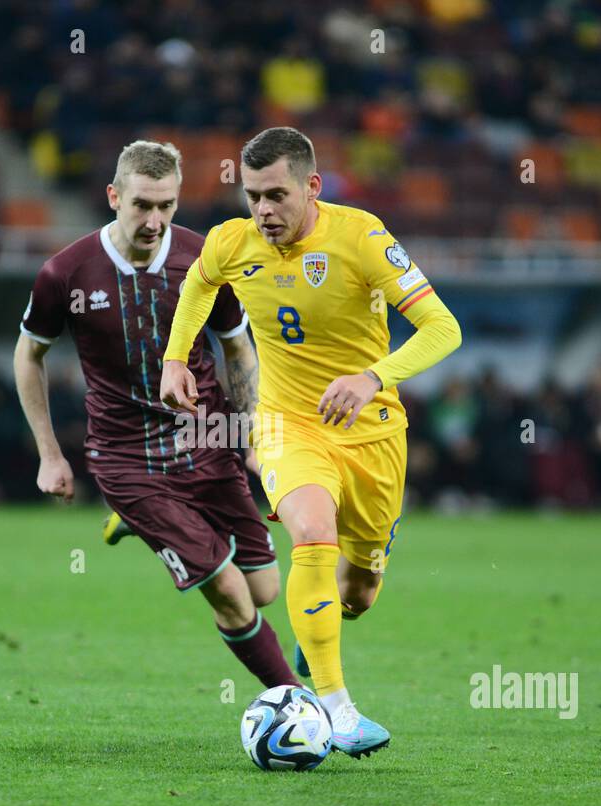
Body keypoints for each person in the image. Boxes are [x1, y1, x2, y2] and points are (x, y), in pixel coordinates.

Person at [160, 127, 463, 757]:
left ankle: (326, 615)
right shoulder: (231, 242)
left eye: (277, 195)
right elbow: (197, 287)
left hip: (374, 435)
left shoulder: (361, 237)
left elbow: (444, 328)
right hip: (284, 424)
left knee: (359, 592)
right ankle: (337, 707)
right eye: (253, 196)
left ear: (312, 187)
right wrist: (174, 359)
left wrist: (373, 376)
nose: (263, 211)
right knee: (309, 532)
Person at [14, 140, 298, 690]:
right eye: (142, 204)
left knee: (265, 588)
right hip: (126, 458)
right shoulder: (66, 273)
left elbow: (238, 349)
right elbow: (30, 354)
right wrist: (50, 455)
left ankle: (136, 525)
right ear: (113, 196)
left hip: (206, 441)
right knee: (232, 594)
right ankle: (301, 706)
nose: (154, 219)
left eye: (166, 205)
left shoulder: (204, 258)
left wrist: (255, 439)